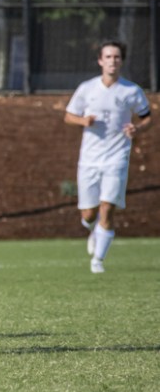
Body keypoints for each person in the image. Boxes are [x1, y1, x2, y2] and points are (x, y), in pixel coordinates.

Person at [63, 40, 151, 274]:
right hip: (89, 159)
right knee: (89, 213)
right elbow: (68, 116)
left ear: (121, 61)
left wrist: (137, 129)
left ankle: (98, 261)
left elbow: (147, 117)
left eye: (117, 57)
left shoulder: (131, 91)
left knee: (108, 208)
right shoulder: (87, 89)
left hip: (117, 157)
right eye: (108, 57)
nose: (113, 61)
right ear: (100, 61)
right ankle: (93, 229)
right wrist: (83, 121)